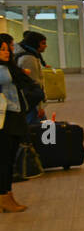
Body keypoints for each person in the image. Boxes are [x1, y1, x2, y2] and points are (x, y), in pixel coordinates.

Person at [0, 34, 31, 212]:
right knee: (5, 160)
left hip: (12, 117)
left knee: (8, 159)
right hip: (4, 120)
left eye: (7, 48)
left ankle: (6, 195)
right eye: (2, 49)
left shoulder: (8, 68)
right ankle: (5, 197)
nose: (7, 52)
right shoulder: (5, 70)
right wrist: (20, 72)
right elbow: (11, 77)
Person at [13, 31, 46, 128]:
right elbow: (33, 84)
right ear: (35, 43)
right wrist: (39, 106)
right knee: (40, 131)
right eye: (43, 43)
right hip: (32, 103)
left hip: (27, 101)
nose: (45, 46)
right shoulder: (29, 59)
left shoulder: (26, 55)